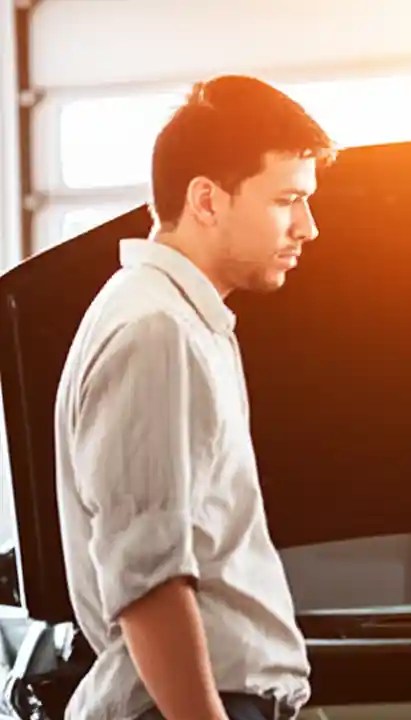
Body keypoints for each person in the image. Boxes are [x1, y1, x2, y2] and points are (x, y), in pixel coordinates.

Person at [53, 75, 336, 720]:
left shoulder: (177, 320)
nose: (309, 227)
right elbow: (147, 581)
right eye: (287, 199)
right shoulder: (158, 331)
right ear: (206, 200)